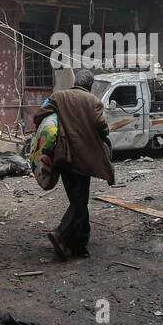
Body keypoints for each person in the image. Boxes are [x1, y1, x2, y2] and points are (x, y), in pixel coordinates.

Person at [33, 69, 115, 259]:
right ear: (90, 84)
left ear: (75, 81)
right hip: (84, 159)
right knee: (80, 203)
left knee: (77, 201)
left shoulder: (58, 96)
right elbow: (101, 127)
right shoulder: (94, 101)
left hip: (62, 157)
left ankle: (79, 245)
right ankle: (60, 233)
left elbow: (39, 115)